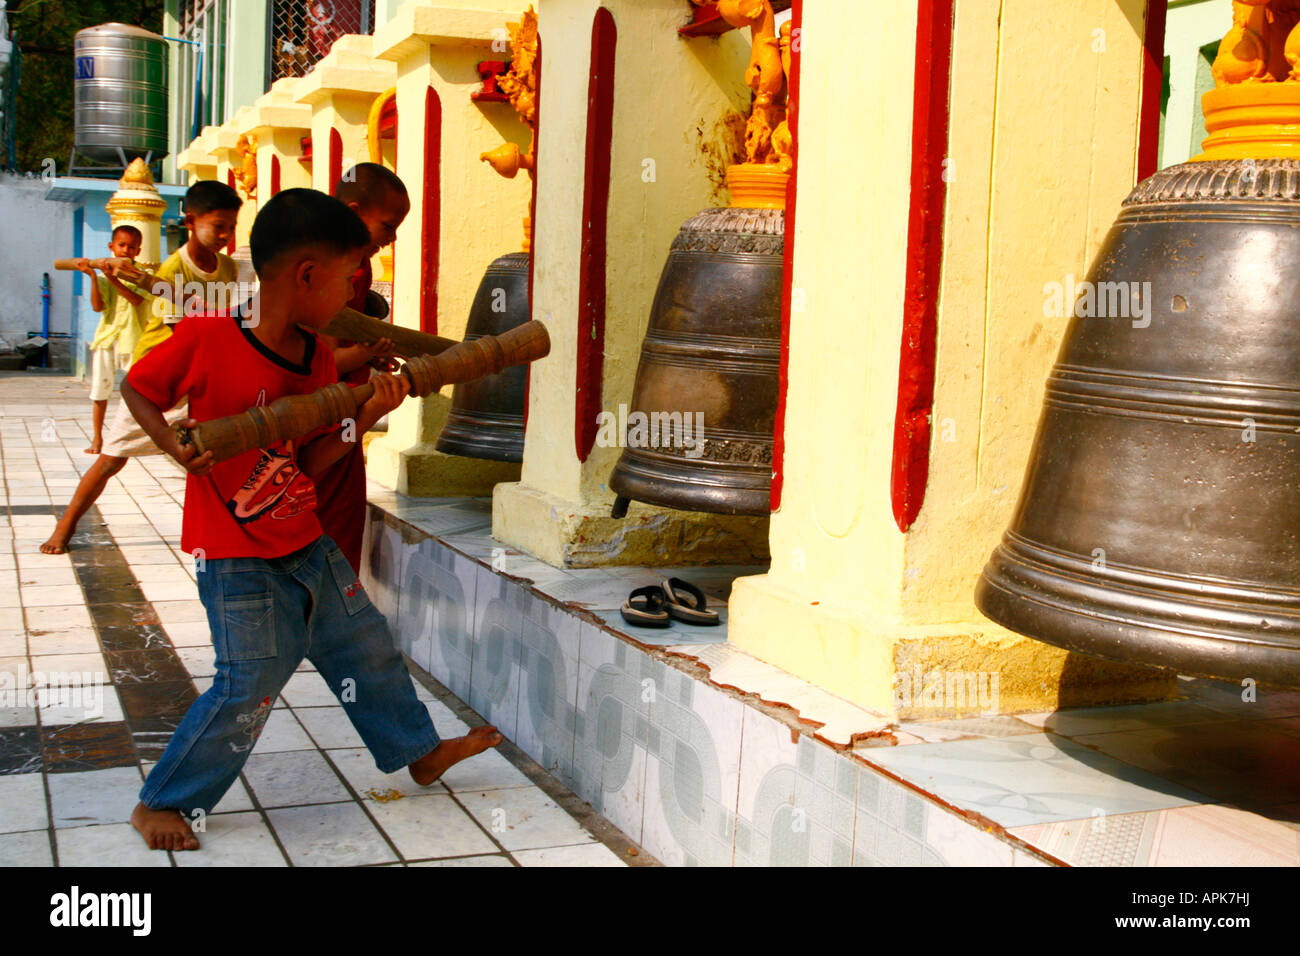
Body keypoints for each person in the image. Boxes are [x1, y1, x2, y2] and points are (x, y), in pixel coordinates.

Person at [120, 188, 501, 851]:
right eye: (348, 280)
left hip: (303, 537)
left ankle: (419, 752)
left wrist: (365, 417)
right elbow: (139, 388)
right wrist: (172, 444)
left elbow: (318, 456)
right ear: (305, 275)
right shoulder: (207, 338)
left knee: (365, 646)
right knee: (249, 681)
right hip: (233, 549)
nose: (353, 296)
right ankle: (163, 801)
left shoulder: (317, 359)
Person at [40, 180, 242, 555]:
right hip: (157, 379)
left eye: (232, 226)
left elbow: (222, 321)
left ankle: (229, 535)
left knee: (215, 460)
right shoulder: (172, 268)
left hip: (199, 376)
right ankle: (65, 527)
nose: (226, 235)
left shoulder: (228, 267)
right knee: (112, 459)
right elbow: (185, 330)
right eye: (218, 226)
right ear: (191, 220)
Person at [314, 162, 410, 573]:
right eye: (387, 226)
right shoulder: (333, 267)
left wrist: (369, 354)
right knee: (326, 537)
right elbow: (316, 366)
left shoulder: (357, 262)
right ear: (353, 212)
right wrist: (367, 355)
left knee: (338, 533)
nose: (391, 239)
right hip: (320, 420)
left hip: (345, 419)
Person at [77, 224, 151, 455]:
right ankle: (97, 438)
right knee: (100, 390)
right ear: (112, 247)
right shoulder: (104, 274)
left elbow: (136, 301)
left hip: (133, 340)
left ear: (138, 251)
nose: (125, 251)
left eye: (131, 247)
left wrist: (114, 278)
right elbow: (98, 307)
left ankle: (138, 437)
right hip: (107, 338)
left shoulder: (143, 277)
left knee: (140, 391)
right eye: (121, 245)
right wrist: (93, 276)